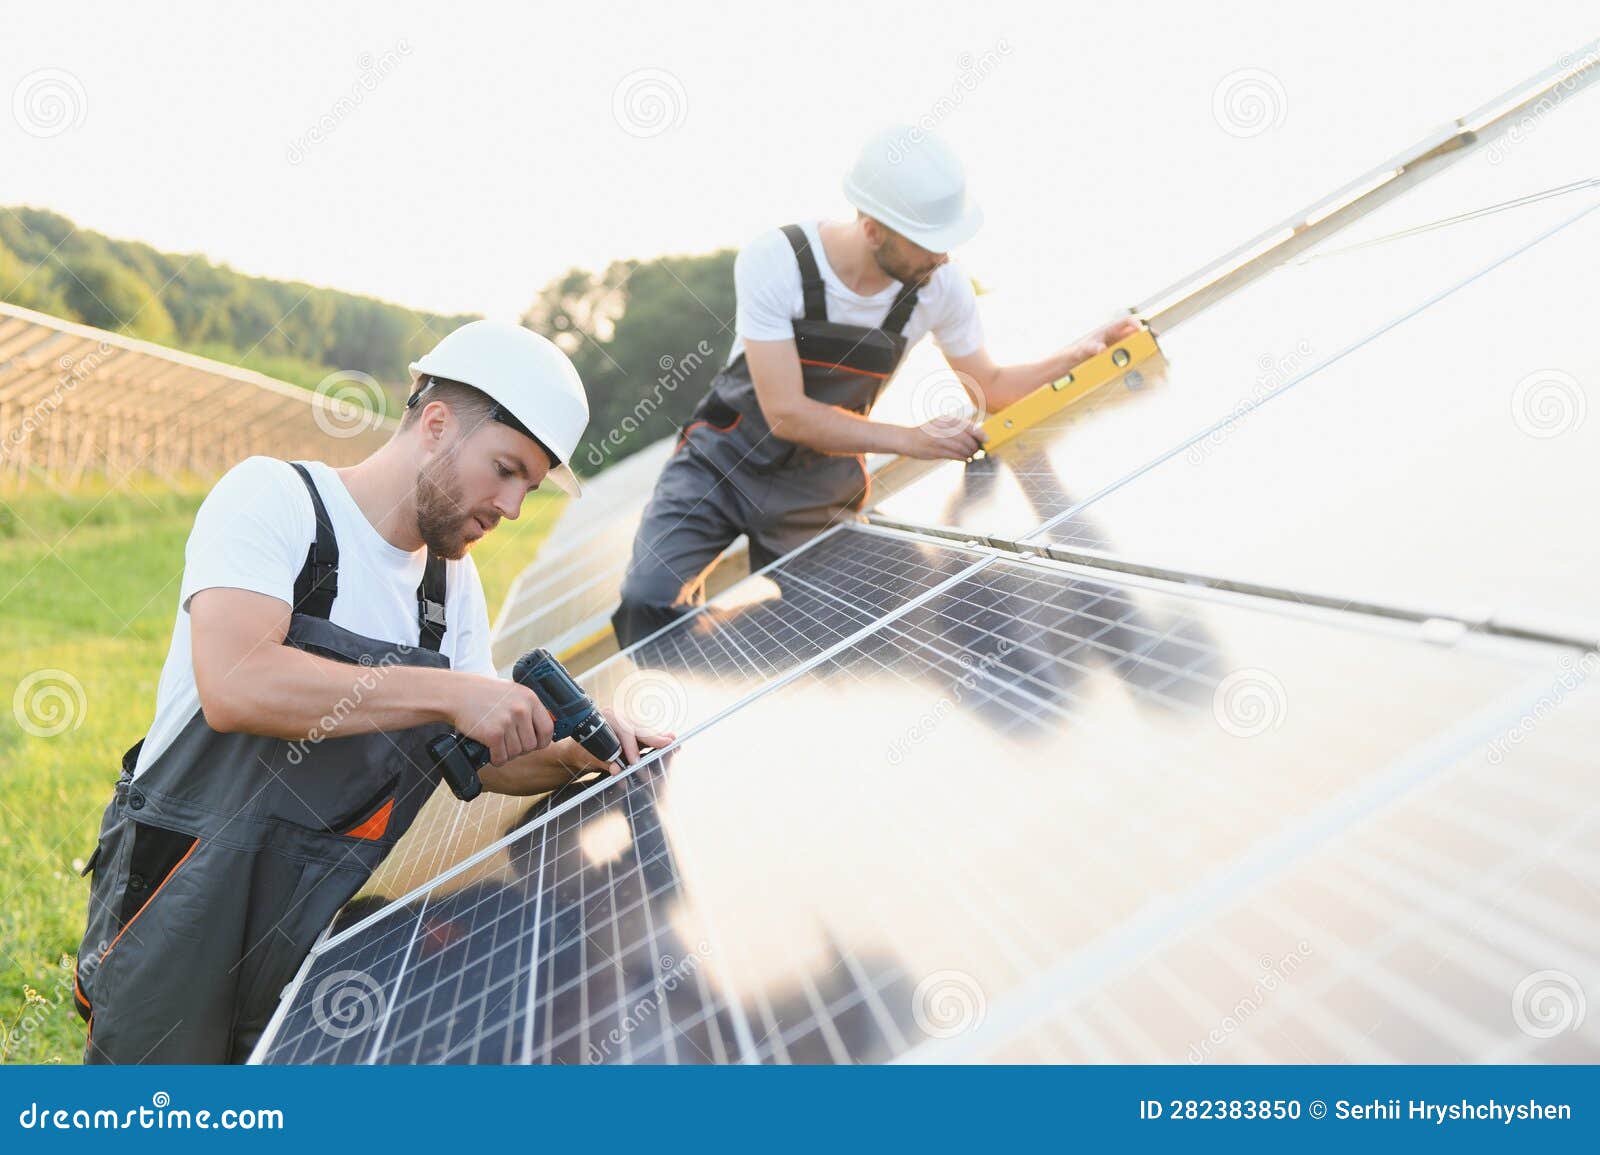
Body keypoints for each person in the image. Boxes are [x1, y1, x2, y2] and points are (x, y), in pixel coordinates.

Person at [73, 319, 673, 1064]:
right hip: (186, 890)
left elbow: (479, 758)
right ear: (436, 424)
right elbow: (236, 682)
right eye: (506, 469)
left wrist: (581, 756)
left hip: (309, 908)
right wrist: (448, 692)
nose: (513, 505)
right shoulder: (276, 499)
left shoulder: (449, 588)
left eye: (531, 483)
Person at [611, 124, 1138, 645]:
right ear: (872, 229)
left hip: (818, 486)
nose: (945, 257)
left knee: (861, 616)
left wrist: (1079, 353)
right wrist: (912, 439)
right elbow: (786, 412)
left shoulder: (939, 287)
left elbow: (993, 386)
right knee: (647, 608)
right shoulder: (779, 260)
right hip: (719, 466)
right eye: (930, 243)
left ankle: (769, 687)